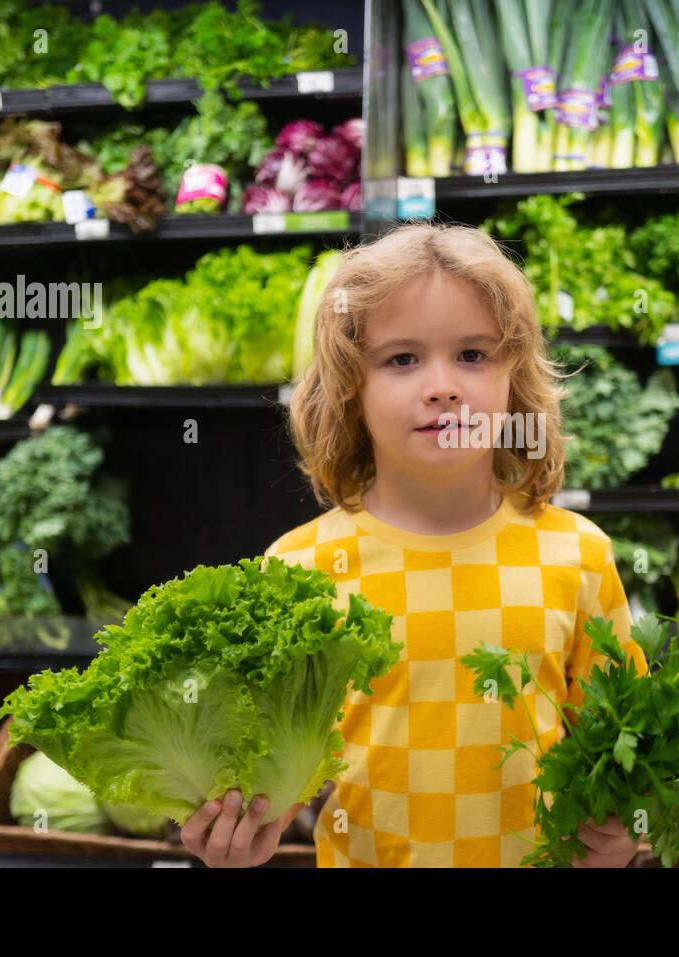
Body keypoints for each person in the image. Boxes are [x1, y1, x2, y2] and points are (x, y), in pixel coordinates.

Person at [181, 222, 649, 868]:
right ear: (352, 389)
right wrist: (239, 835)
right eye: (402, 358)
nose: (442, 385)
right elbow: (275, 779)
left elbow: (631, 754)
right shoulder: (296, 569)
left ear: (515, 379)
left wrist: (624, 832)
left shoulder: (577, 555)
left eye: (473, 355)